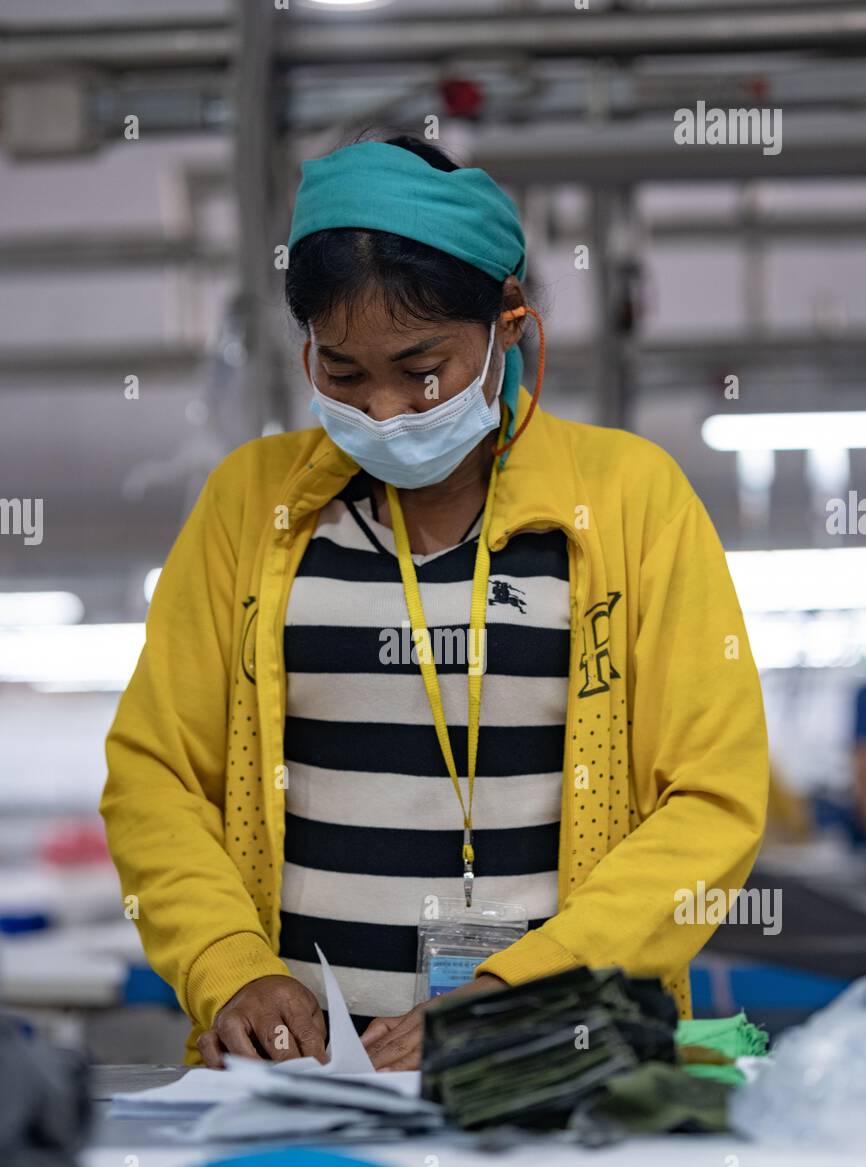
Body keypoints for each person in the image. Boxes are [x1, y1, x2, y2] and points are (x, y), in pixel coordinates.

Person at [100, 132, 769, 1071]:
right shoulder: (251, 507)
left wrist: (521, 991)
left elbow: (711, 798)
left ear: (507, 320)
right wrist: (229, 965)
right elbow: (156, 775)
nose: (385, 411)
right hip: (300, 1077)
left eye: (422, 369)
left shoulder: (626, 502)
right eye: (343, 372)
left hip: (550, 1054)